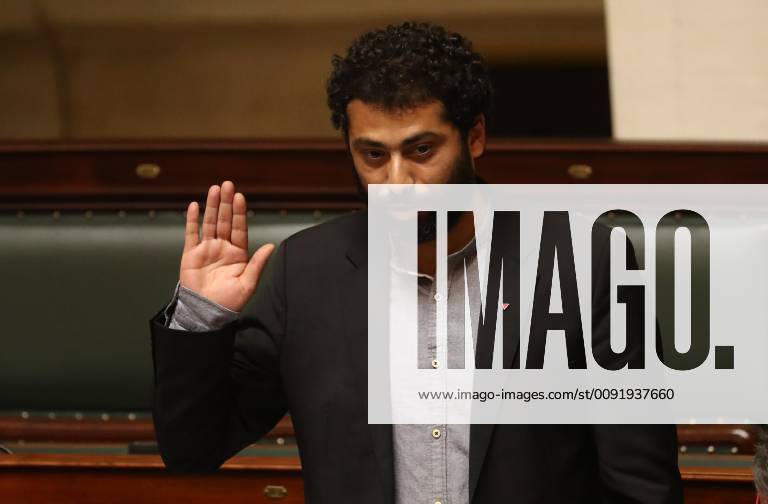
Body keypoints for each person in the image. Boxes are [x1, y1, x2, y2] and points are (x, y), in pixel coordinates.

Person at [149, 21, 682, 503]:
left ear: (474, 137)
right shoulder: (305, 273)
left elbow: (640, 485)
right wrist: (202, 318)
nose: (396, 182)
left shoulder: (589, 261)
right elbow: (192, 449)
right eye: (373, 155)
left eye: (422, 150)